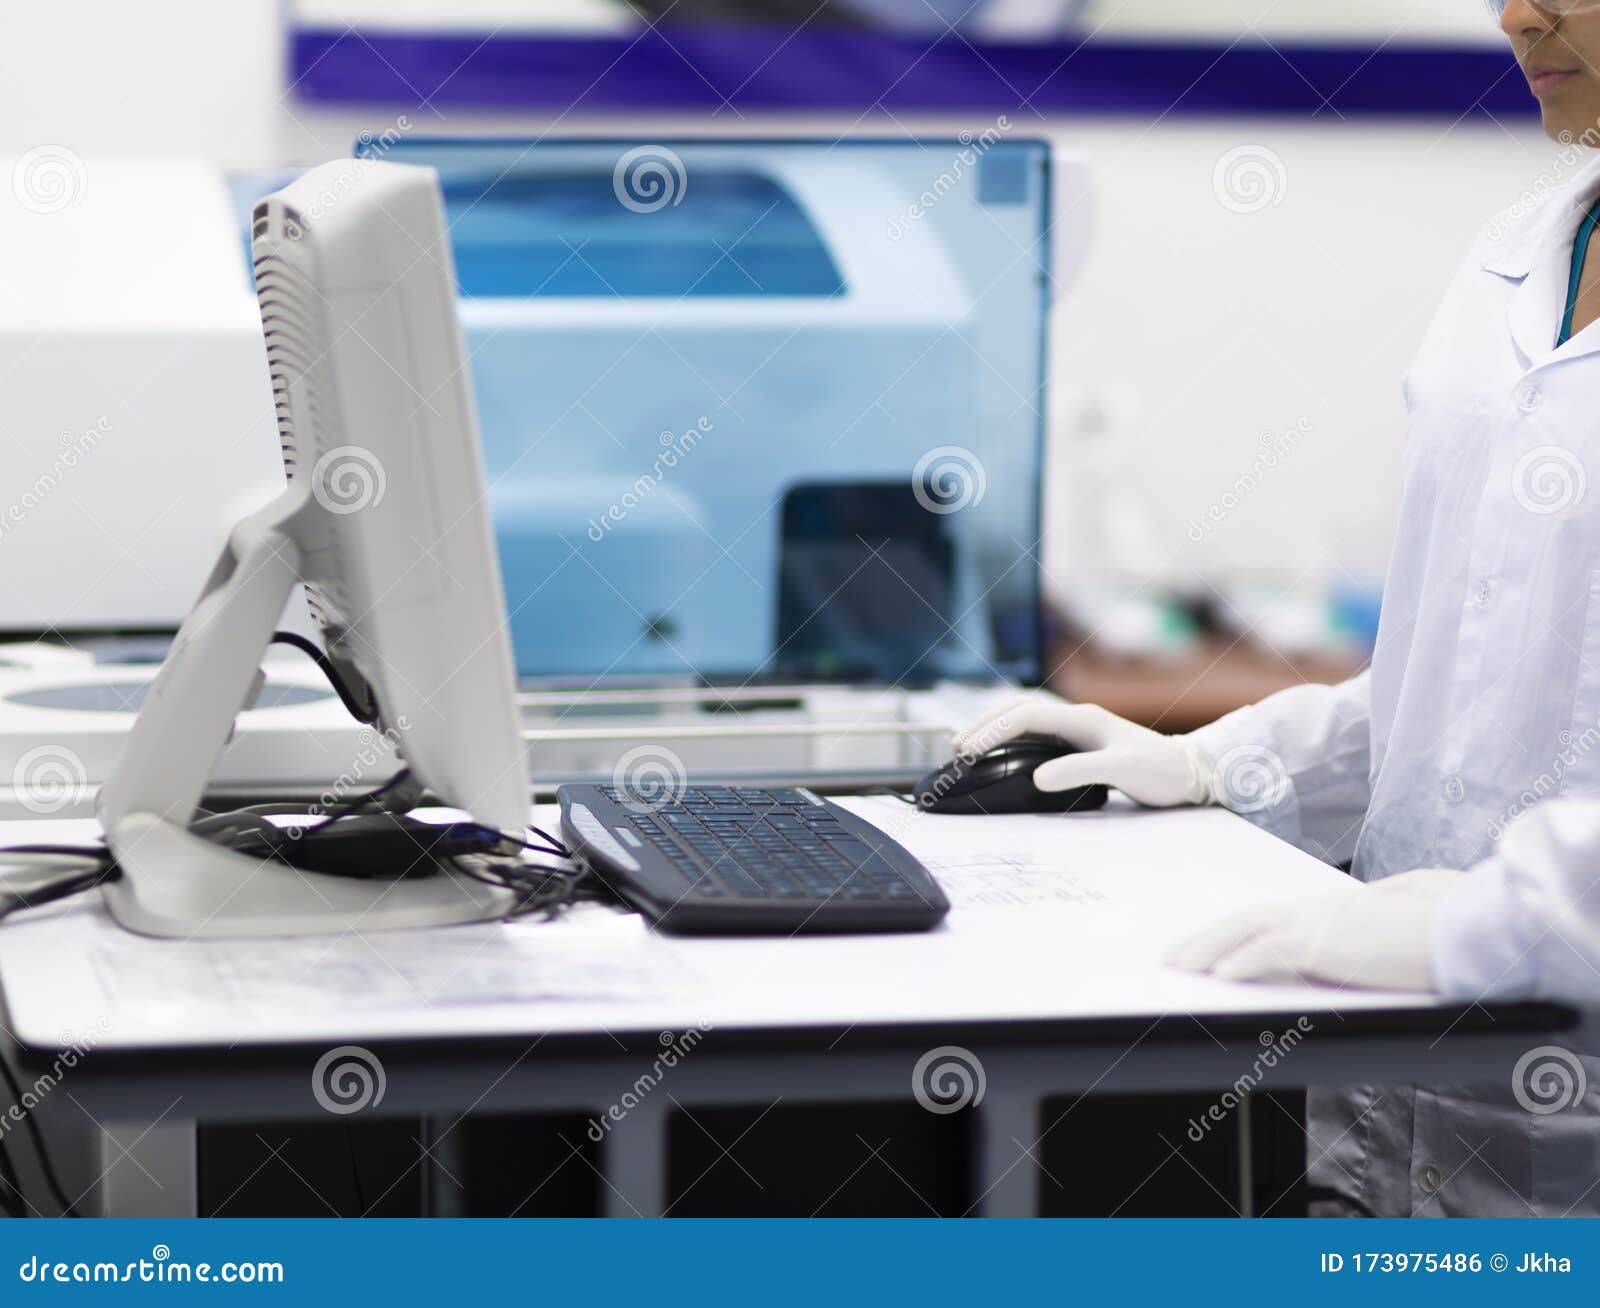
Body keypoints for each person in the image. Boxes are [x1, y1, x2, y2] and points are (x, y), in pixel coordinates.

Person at [958, 0, 1600, 1217]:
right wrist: (1213, 764)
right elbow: (1457, 679)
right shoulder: (1517, 252)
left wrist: (1490, 925)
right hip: (1384, 1115)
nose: (1519, 14)